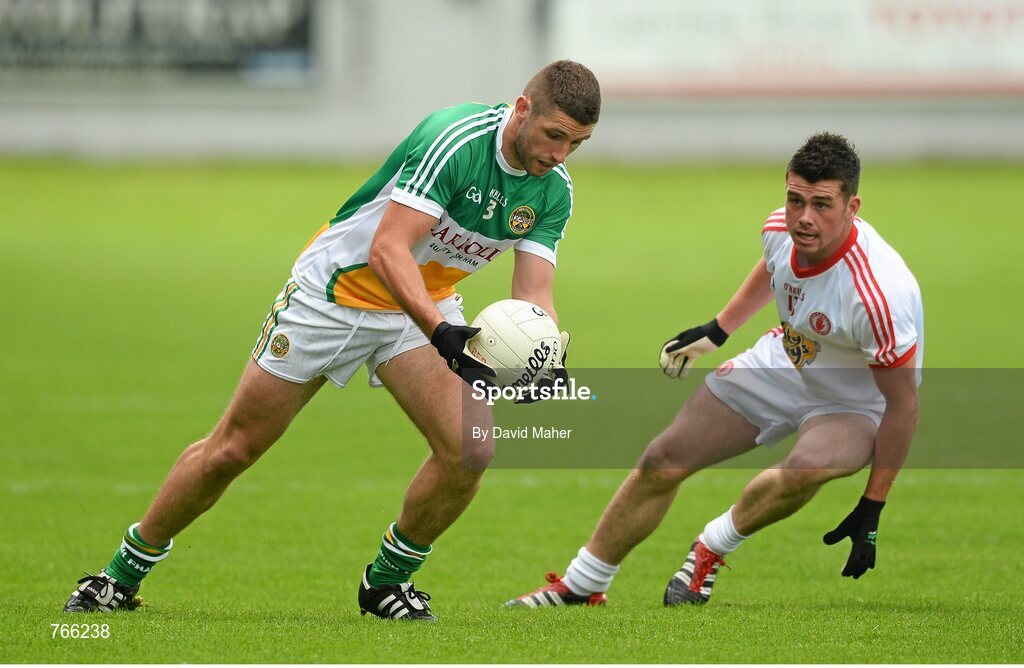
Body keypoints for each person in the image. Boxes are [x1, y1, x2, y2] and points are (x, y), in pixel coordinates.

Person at [63, 60, 601, 621]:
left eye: (578, 144)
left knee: (471, 449)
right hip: (335, 295)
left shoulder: (553, 190)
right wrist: (440, 333)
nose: (560, 154)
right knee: (233, 449)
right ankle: (119, 577)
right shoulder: (456, 141)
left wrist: (547, 359)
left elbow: (533, 296)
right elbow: (388, 249)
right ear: (521, 109)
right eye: (554, 135)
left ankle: (386, 584)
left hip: (420, 305)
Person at [506, 132, 923, 608]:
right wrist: (718, 330)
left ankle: (711, 547)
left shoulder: (877, 295)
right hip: (786, 362)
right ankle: (582, 585)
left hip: (854, 403)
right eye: (795, 199)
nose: (804, 218)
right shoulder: (779, 230)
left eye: (822, 205)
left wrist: (873, 505)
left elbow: (903, 405)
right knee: (663, 458)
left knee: (807, 467)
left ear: (853, 207)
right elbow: (773, 265)